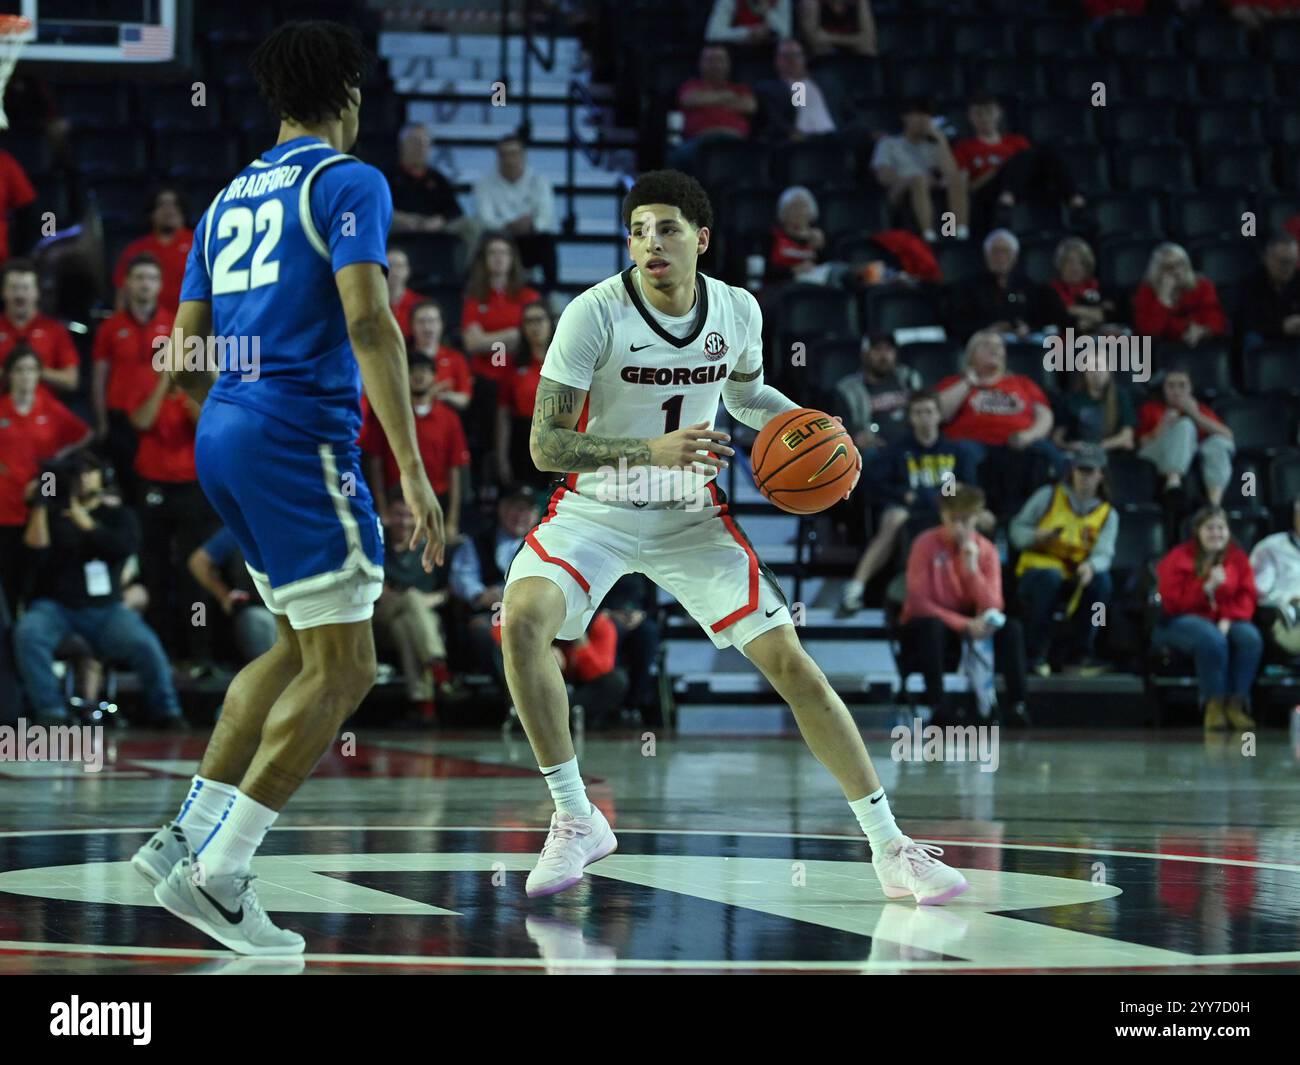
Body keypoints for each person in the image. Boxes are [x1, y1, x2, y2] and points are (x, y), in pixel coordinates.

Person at [501, 167, 967, 905]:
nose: (650, 243)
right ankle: (574, 815)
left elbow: (746, 397)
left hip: (691, 513)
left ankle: (891, 846)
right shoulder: (592, 314)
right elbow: (545, 446)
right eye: (638, 230)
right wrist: (646, 452)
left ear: (701, 239)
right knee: (522, 622)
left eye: (667, 228)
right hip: (599, 505)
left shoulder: (738, 309)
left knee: (791, 661)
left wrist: (814, 427)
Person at [130, 21, 445, 956]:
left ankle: (185, 831)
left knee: (301, 647)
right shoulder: (349, 180)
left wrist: (233, 412)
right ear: (347, 92)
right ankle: (221, 874)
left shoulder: (227, 199)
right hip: (295, 435)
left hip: (225, 429)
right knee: (350, 667)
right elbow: (372, 322)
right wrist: (415, 470)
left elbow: (182, 353)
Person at [14, 452, 185, 728]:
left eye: (89, 472)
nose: (83, 478)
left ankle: (167, 711)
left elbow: (123, 547)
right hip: (57, 607)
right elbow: (34, 553)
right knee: (28, 633)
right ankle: (51, 711)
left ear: (102, 477)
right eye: (77, 473)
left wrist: (88, 524)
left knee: (146, 645)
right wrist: (40, 504)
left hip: (106, 608)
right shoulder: (53, 515)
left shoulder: (118, 515)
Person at [838, 390, 982, 615]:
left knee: (983, 518)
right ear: (911, 418)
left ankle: (976, 589)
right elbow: (875, 484)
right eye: (918, 412)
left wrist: (944, 495)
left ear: (938, 416)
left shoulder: (956, 450)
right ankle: (855, 588)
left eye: (929, 411)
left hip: (948, 509)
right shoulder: (897, 450)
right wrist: (904, 494)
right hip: (907, 508)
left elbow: (970, 488)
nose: (925, 417)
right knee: (894, 519)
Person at [898, 482, 1030, 727]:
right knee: (931, 627)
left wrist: (971, 571)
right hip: (934, 624)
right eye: (953, 519)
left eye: (966, 520)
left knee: (1011, 629)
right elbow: (918, 603)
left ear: (977, 518)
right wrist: (964, 624)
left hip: (971, 622)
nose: (959, 527)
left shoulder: (986, 550)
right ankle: (938, 705)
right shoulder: (924, 544)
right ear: (942, 516)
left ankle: (1016, 705)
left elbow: (994, 604)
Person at [130, 366, 215, 663]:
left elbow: (204, 423)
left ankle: (200, 651)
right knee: (156, 571)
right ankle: (161, 650)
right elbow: (142, 421)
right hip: (154, 488)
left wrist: (186, 386)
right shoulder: (145, 385)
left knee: (193, 574)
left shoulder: (196, 388)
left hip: (192, 488)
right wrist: (162, 383)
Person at [1010, 444, 1117, 676]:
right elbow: (1016, 531)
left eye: (1090, 471)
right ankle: (1035, 654)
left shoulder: (1108, 514)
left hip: (1076, 575)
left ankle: (1083, 653)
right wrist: (1036, 536)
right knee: (1049, 578)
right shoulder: (1048, 496)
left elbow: (1104, 553)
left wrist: (1091, 566)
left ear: (1101, 474)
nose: (1084, 477)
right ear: (1072, 471)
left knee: (1102, 586)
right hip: (1037, 572)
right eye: (1080, 470)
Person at [1154, 505, 1261, 731]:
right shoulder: (1178, 557)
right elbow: (1172, 603)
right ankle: (1214, 706)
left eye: (1221, 528)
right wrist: (1205, 589)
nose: (1216, 533)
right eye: (1210, 528)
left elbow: (1248, 597)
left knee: (1250, 638)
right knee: (1211, 639)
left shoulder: (1238, 559)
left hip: (1225, 619)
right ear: (1198, 531)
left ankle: (1237, 704)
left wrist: (1228, 618)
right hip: (1179, 621)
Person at [0, 345, 90, 611]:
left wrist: (58, 457)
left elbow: (83, 434)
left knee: (39, 572)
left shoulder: (50, 408)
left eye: (31, 370)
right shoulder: (2, 408)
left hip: (41, 497)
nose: (25, 376)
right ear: (9, 375)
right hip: (6, 502)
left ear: (39, 374)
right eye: (19, 370)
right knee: (8, 575)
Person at [936, 330, 1063, 518]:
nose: (994, 349)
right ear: (970, 355)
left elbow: (1045, 416)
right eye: (986, 344)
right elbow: (940, 413)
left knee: (1048, 453)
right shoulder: (953, 382)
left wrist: (1028, 435)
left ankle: (1048, 514)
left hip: (1018, 443)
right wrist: (968, 382)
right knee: (961, 454)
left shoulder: (1022, 383)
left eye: (999, 346)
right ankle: (972, 514)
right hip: (973, 445)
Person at [91, 253, 174, 506]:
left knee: (157, 493)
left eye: (151, 278)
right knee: (127, 494)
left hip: (158, 422)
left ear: (160, 284)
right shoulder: (110, 327)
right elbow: (98, 378)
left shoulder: (173, 324)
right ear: (127, 283)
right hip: (120, 422)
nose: (145, 284)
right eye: (139, 277)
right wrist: (102, 423)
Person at [362, 350, 468, 539]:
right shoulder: (387, 414)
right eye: (412, 371)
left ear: (434, 376)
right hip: (397, 503)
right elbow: (375, 463)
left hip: (436, 502)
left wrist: (452, 520)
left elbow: (455, 471)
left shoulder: (449, 418)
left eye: (425, 371)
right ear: (403, 375)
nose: (419, 375)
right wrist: (382, 508)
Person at [951, 95, 1084, 235]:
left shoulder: (1016, 141)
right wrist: (998, 170)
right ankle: (1005, 200)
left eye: (989, 112)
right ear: (970, 117)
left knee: (1045, 151)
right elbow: (967, 188)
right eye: (978, 113)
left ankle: (1075, 201)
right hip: (989, 190)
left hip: (1023, 188)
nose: (984, 118)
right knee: (1021, 157)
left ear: (998, 113)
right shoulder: (964, 148)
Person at [373, 499, 454, 723]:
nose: (404, 521)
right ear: (387, 515)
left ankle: (423, 706)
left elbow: (447, 592)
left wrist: (424, 600)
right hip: (380, 620)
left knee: (406, 625)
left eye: (409, 515)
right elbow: (375, 592)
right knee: (411, 599)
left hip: (417, 621)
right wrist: (414, 599)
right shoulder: (377, 544)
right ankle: (438, 665)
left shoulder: (429, 547)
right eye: (398, 515)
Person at [870, 99, 968, 243]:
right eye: (917, 115)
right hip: (900, 189)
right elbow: (883, 175)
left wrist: (941, 141)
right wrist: (908, 180)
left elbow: (950, 172)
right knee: (919, 179)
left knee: (957, 178)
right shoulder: (889, 143)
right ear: (905, 117)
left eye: (926, 115)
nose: (922, 120)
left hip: (930, 188)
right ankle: (927, 234)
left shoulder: (932, 146)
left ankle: (956, 231)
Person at [1136, 367, 1234, 507]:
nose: (1176, 391)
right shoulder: (1150, 409)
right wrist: (1163, 426)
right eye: (1171, 386)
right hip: (1156, 453)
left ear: (1190, 389)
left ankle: (1214, 504)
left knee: (1219, 443)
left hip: (1191, 453)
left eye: (1182, 385)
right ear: (1163, 389)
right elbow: (1141, 444)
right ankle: (1173, 482)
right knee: (1185, 425)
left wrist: (1194, 415)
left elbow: (1227, 435)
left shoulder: (1200, 409)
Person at [946, 229, 1066, 341]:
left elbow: (1042, 320)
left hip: (1021, 348)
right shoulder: (967, 287)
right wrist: (987, 331)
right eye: (995, 251)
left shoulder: (1029, 287)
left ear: (1015, 256)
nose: (1000, 257)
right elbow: (956, 324)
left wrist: (1028, 329)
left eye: (1005, 251)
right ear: (986, 255)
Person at [471, 134, 558, 288]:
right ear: (498, 158)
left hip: (530, 238)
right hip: (501, 237)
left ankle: (550, 293)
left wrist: (531, 225)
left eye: (514, 154)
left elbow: (546, 217)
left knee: (547, 240)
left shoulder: (539, 181)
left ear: (523, 156)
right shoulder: (484, 184)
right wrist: (508, 225)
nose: (509, 160)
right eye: (504, 155)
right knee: (484, 240)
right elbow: (484, 220)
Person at [387, 122, 483, 259]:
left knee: (470, 226)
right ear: (402, 145)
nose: (419, 148)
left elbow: (454, 210)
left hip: (432, 224)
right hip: (399, 223)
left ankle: (467, 274)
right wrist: (399, 218)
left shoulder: (437, 178)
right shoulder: (387, 175)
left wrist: (440, 220)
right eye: (414, 142)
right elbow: (374, 208)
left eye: (424, 143)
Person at [188, 526, 278, 665]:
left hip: (296, 604)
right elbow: (198, 562)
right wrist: (224, 597)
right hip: (258, 608)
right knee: (258, 621)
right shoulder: (245, 524)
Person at [460, 233, 541, 385]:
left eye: (504, 253)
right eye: (493, 253)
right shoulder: (474, 298)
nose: (498, 258)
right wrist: (511, 335)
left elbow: (534, 339)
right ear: (484, 260)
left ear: (512, 259)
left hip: (520, 375)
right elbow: (472, 343)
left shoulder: (529, 297)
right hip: (484, 378)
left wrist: (487, 340)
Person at [497, 299, 555, 491]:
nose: (535, 326)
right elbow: (503, 414)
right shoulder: (514, 367)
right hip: (523, 437)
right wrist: (502, 456)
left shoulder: (567, 362)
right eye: (529, 322)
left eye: (539, 319)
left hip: (561, 434)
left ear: (550, 322)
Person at [669, 45, 757, 172]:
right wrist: (728, 97)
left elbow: (750, 106)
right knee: (677, 156)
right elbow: (689, 100)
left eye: (720, 60)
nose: (715, 65)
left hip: (736, 142)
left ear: (728, 64)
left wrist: (709, 99)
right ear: (700, 63)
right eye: (710, 60)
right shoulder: (691, 86)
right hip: (700, 142)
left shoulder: (740, 89)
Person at [0, 258, 79, 396]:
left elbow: (71, 381)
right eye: (13, 288)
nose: (20, 295)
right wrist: (12, 371)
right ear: (3, 292)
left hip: (45, 412)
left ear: (37, 292)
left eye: (25, 288)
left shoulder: (55, 330)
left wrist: (31, 371)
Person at [833, 332, 922, 454]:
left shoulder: (909, 378)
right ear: (864, 354)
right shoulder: (848, 388)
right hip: (876, 451)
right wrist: (857, 436)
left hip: (911, 445)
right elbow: (843, 426)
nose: (884, 355)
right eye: (877, 349)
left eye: (888, 350)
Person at [111, 188, 194, 314]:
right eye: (161, 205)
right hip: (148, 327)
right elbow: (122, 295)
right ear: (151, 214)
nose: (169, 210)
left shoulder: (199, 244)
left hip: (190, 325)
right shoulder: (136, 249)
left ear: (183, 212)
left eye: (175, 205)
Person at [1132, 242, 1228, 348]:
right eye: (1168, 267)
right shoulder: (1147, 291)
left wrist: (1203, 331)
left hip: (1200, 343)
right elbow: (1149, 332)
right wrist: (1164, 299)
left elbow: (1216, 320)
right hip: (1163, 348)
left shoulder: (1203, 285)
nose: (1176, 271)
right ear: (1157, 271)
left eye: (1180, 264)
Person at [754, 38, 846, 144]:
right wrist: (791, 133)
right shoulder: (768, 89)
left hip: (835, 137)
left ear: (804, 58)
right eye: (786, 56)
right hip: (800, 141)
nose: (792, 60)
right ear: (777, 61)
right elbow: (774, 119)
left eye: (796, 55)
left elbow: (848, 112)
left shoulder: (828, 82)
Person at [1248, 499, 1300, 664]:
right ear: (1296, 516)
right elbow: (1259, 591)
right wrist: (1290, 598)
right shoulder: (1270, 547)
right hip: (1286, 620)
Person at [1052, 364, 1137, 455]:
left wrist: (1097, 447)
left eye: (1101, 368)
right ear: (1084, 373)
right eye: (1091, 369)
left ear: (1109, 371)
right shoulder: (1070, 399)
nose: (1097, 373)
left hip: (1111, 453)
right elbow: (1057, 438)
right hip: (1079, 455)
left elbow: (1126, 435)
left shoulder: (1120, 396)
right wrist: (1069, 446)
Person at [1238, 232, 1300, 351]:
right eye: (1283, 262)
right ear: (1267, 258)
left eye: (1292, 262)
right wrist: (1282, 327)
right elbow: (1247, 321)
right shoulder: (1250, 284)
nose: (1288, 268)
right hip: (1264, 337)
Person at [406, 299, 471, 412]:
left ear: (441, 324)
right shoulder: (403, 359)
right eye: (421, 321)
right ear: (412, 325)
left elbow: (464, 399)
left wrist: (438, 395)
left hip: (444, 422)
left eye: (432, 321)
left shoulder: (456, 358)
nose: (427, 327)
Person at [1049, 237, 1121, 335]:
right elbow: (1062, 320)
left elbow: (1110, 314)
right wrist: (1095, 315)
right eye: (1069, 262)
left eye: (1081, 263)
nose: (1075, 268)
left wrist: (1074, 310)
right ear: (1060, 265)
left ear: (1088, 266)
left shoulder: (1101, 287)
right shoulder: (1049, 290)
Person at [798, 0, 877, 56]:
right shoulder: (811, 2)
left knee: (867, 49)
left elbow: (868, 39)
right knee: (821, 48)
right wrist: (856, 39)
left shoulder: (861, 2)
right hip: (825, 49)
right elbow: (813, 39)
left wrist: (828, 38)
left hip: (851, 46)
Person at [704, 0, 792, 47]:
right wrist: (748, 33)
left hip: (771, 53)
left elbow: (785, 34)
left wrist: (766, 11)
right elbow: (713, 34)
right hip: (739, 53)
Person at [385, 244, 424, 338]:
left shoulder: (420, 304)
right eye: (390, 265)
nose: (394, 271)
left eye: (399, 266)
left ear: (408, 270)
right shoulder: (370, 303)